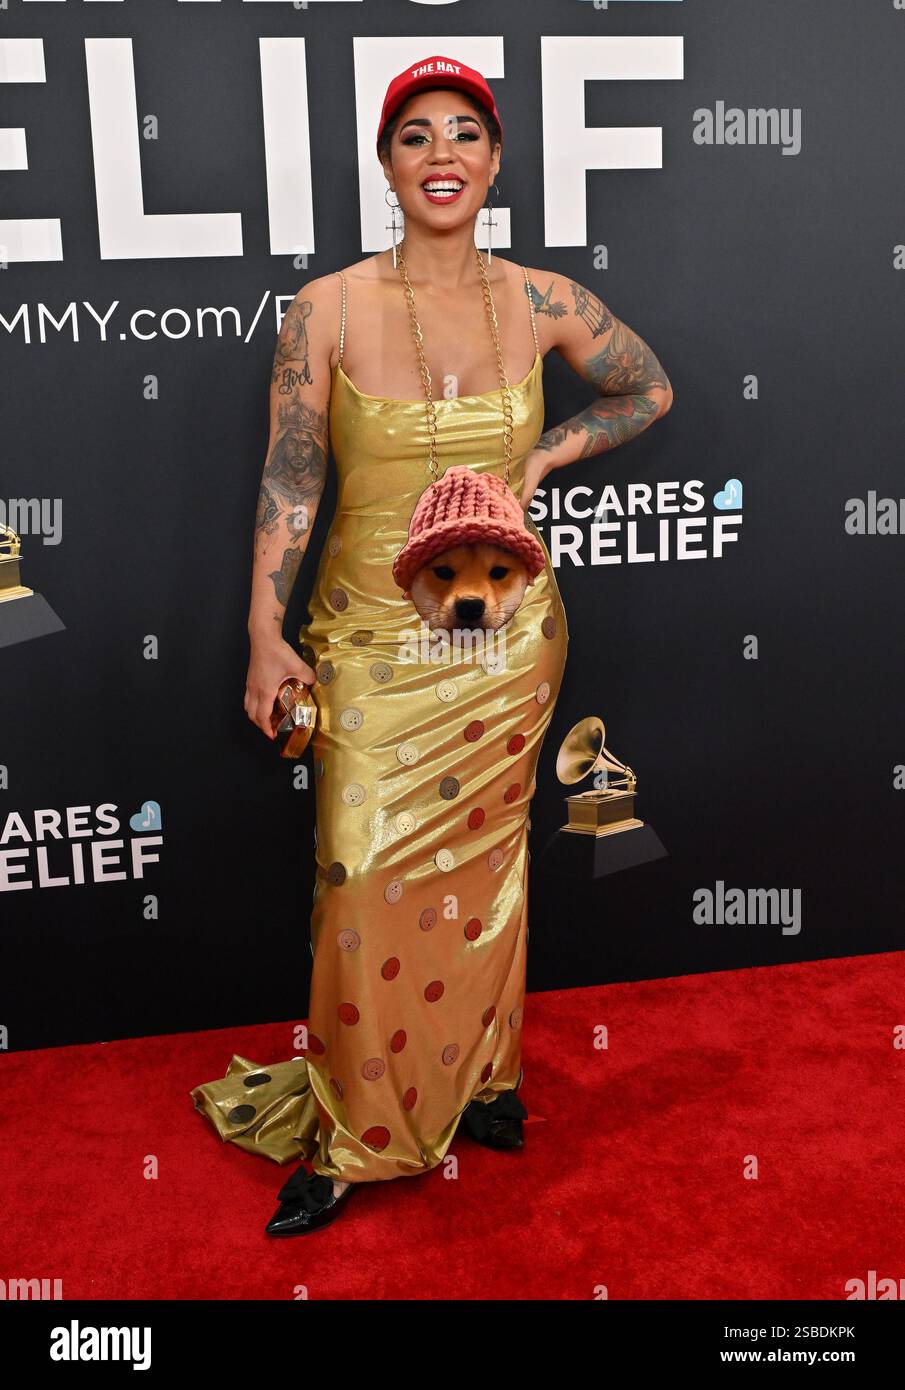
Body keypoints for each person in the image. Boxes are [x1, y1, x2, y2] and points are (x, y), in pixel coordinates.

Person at [190, 54, 672, 1234]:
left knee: (489, 865)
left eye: (464, 132)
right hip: (363, 640)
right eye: (415, 135)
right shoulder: (329, 307)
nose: (441, 153)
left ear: (496, 159)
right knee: (360, 871)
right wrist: (264, 629)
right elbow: (293, 477)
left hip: (505, 647)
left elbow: (644, 390)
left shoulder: (543, 300)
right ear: (386, 163)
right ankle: (359, 1130)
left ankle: (487, 1080)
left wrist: (548, 455)